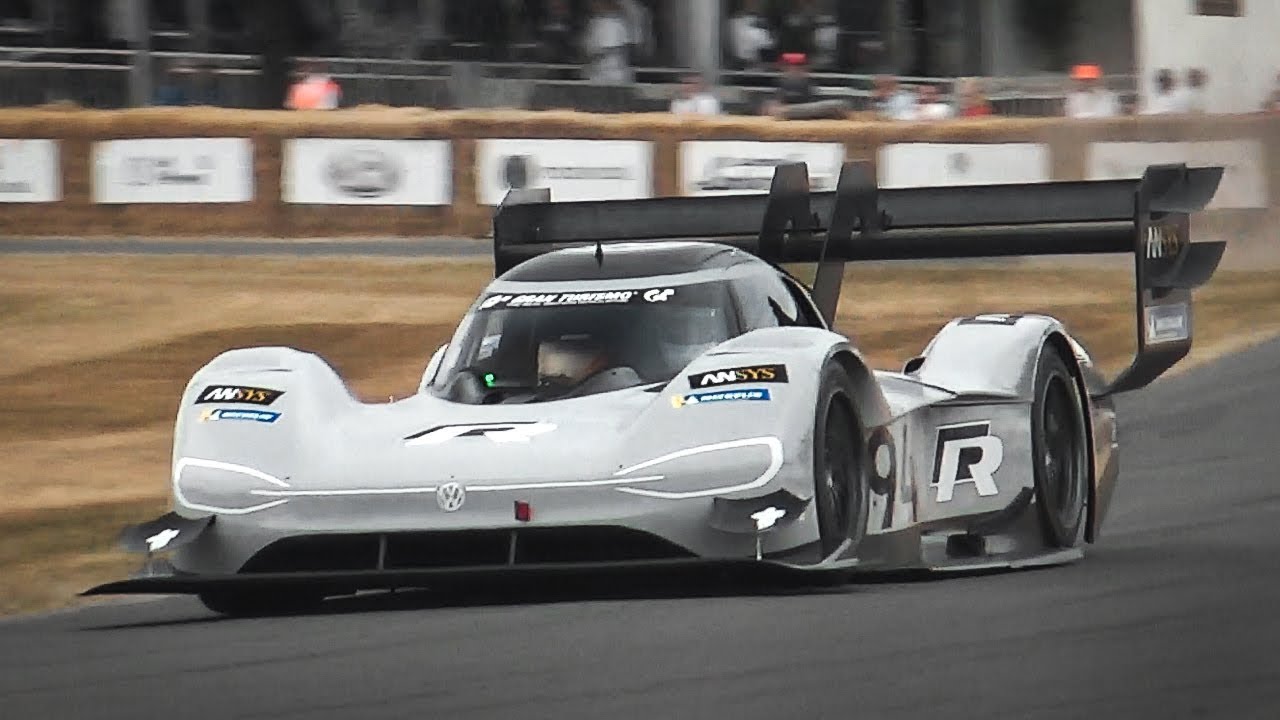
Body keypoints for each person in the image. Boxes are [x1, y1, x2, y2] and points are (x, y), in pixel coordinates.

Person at [582, 0, 631, 84]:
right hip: (596, 74)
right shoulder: (594, 22)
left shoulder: (614, 23)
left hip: (613, 75)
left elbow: (606, 50)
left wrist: (589, 58)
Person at [728, 0, 774, 70]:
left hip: (759, 68)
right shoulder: (734, 23)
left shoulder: (761, 21)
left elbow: (769, 44)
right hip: (740, 70)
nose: (756, 4)